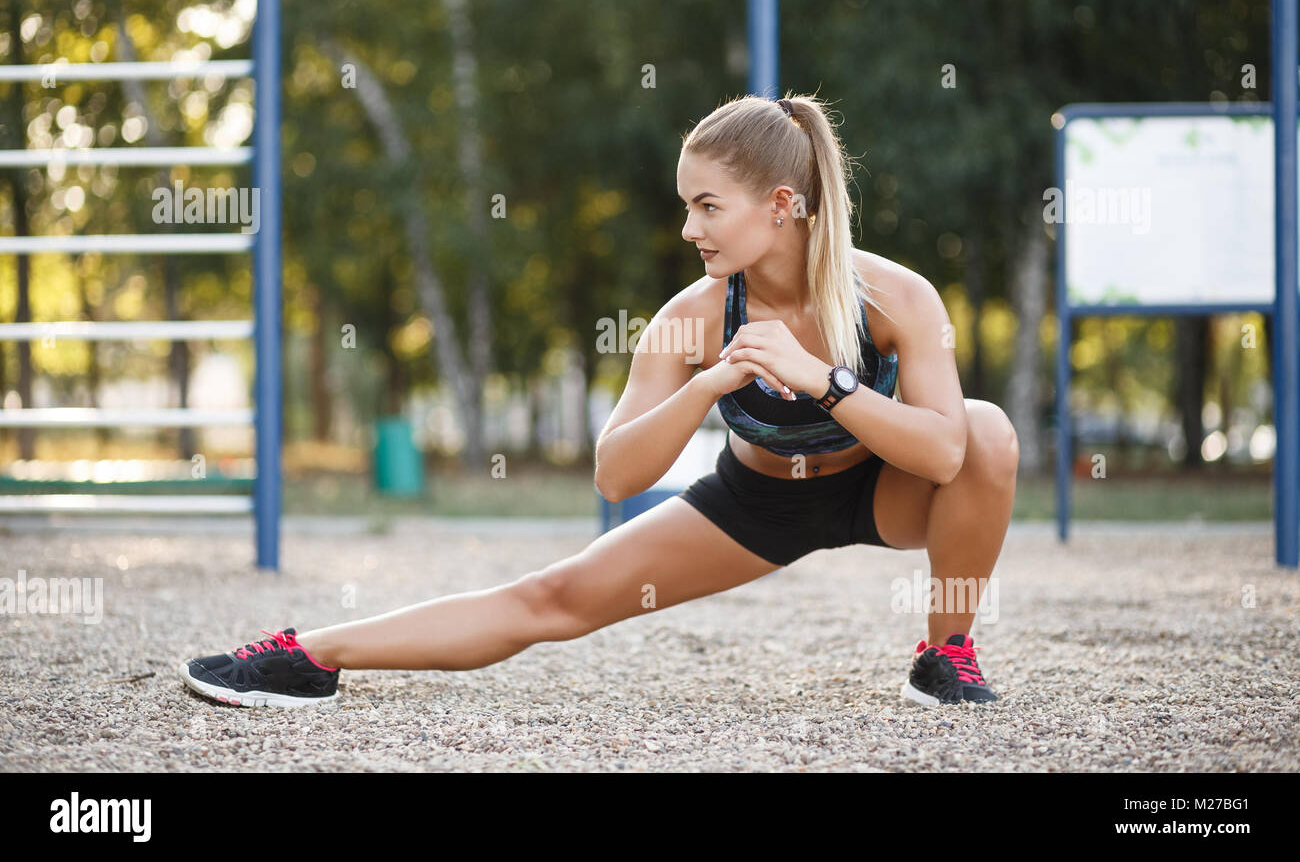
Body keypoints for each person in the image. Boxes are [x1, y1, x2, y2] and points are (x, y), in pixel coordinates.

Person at [177, 92, 1019, 710]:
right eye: (686, 205)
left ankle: (945, 653)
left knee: (988, 429)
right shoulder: (690, 318)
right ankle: (308, 653)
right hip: (755, 504)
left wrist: (823, 380)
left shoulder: (898, 299)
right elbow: (616, 475)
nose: (690, 228)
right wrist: (705, 386)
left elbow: (947, 455)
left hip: (883, 490)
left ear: (782, 206)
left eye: (706, 206)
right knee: (552, 599)